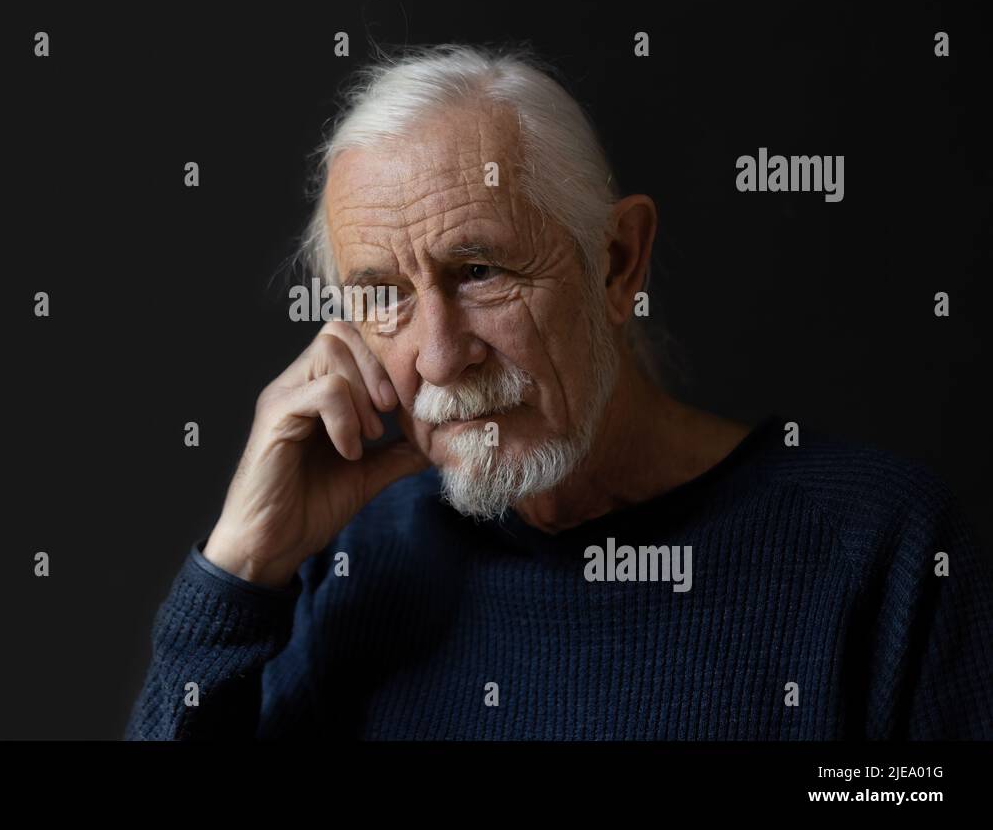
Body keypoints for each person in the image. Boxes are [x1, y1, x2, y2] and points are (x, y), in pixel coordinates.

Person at [126, 43, 993, 739]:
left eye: (479, 271)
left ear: (619, 263)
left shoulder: (882, 548)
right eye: (383, 295)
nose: (438, 358)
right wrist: (237, 572)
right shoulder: (345, 557)